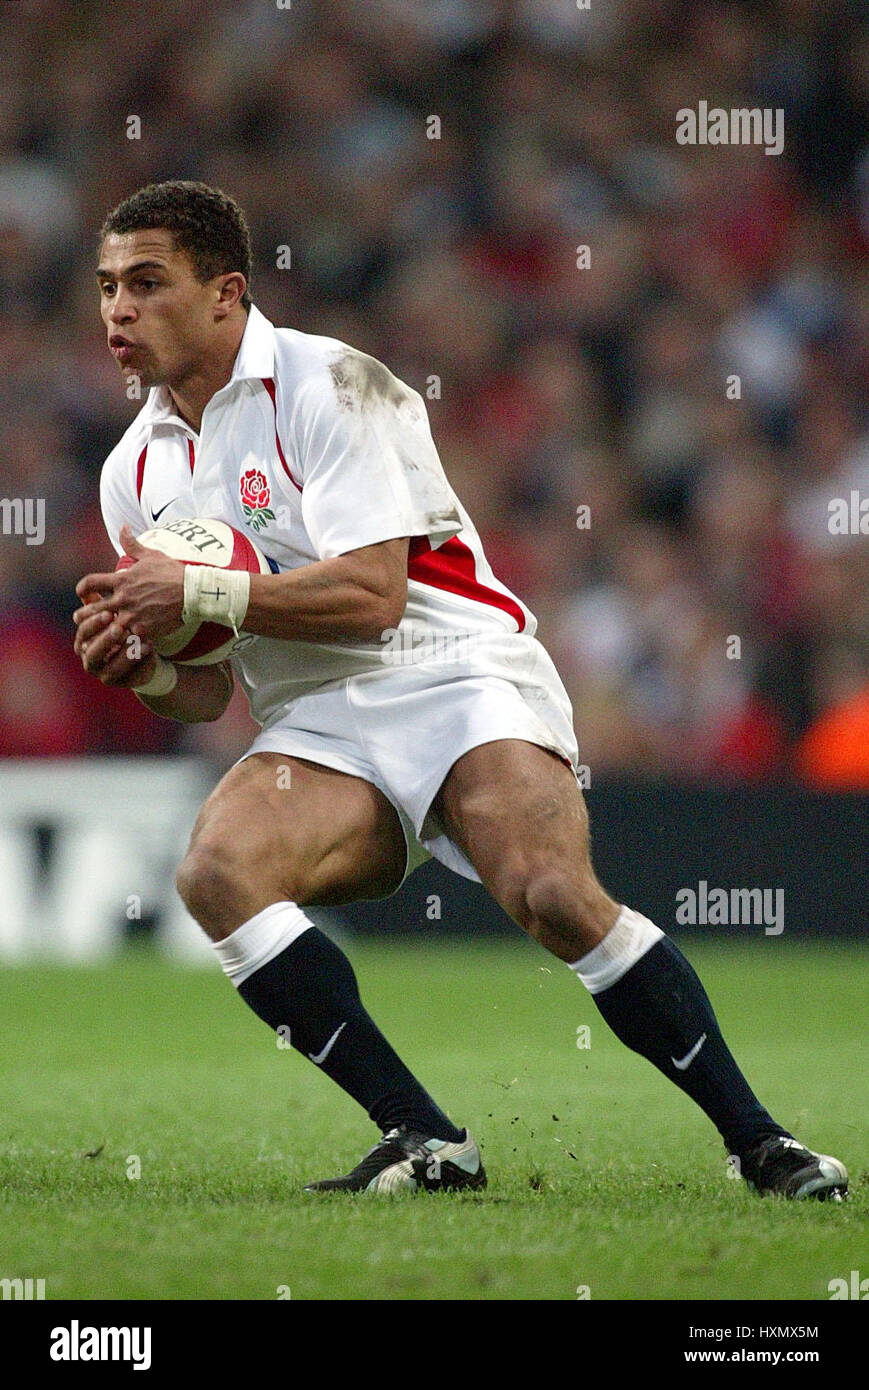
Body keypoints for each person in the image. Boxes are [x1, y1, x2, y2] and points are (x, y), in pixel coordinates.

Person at [74, 181, 846, 1199]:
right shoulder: (134, 469)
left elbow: (375, 595)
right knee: (215, 873)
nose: (117, 311)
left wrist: (198, 587)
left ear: (225, 294)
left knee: (550, 892)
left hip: (454, 668)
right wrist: (152, 667)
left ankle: (762, 1143)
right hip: (316, 722)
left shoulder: (335, 385)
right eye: (105, 287)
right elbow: (208, 692)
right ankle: (426, 1138)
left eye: (146, 282)